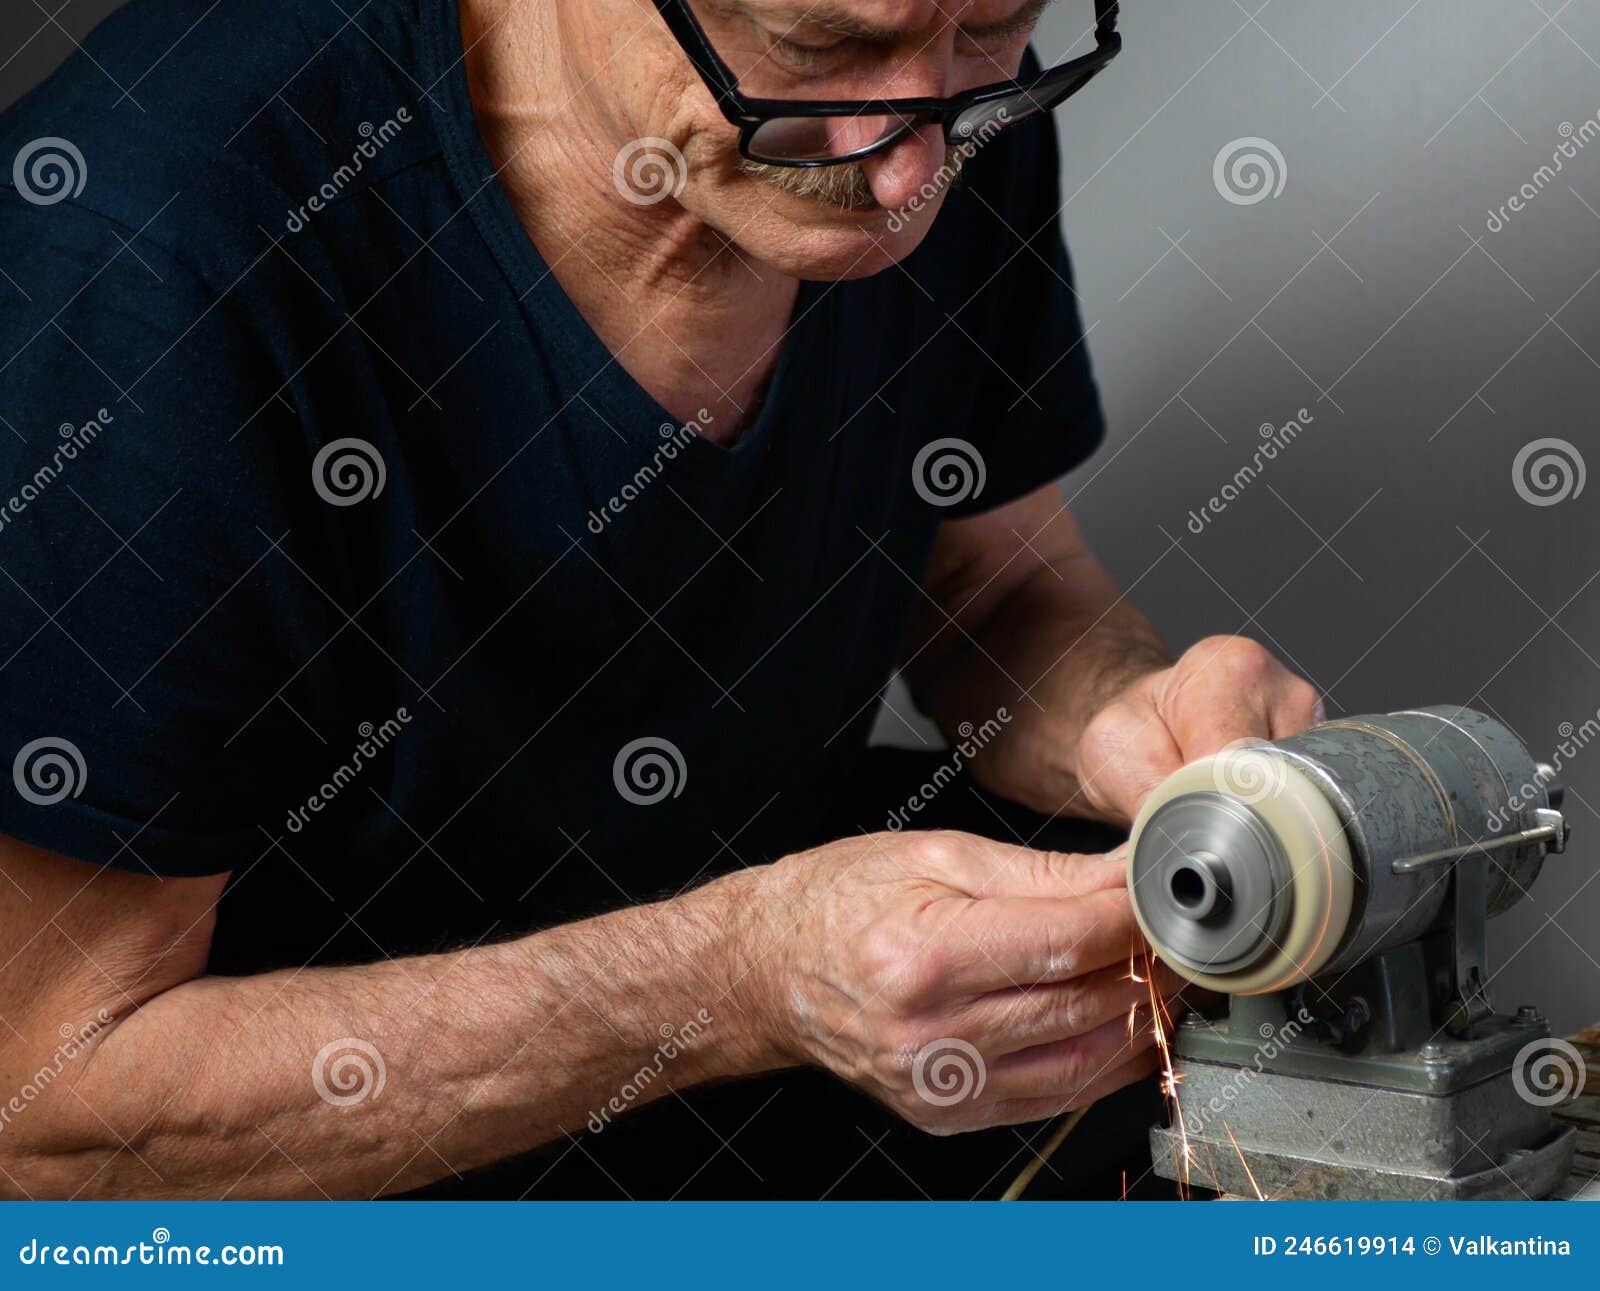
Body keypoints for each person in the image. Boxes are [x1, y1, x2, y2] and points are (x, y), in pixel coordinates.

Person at [0, 0, 1321, 1198]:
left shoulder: (927, 97)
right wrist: (740, 981)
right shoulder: (148, 252)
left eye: (997, 27)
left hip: (742, 1066)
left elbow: (993, 584)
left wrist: (1132, 717)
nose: (913, 173)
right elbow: (40, 1111)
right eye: (813, 49)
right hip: (318, 1168)